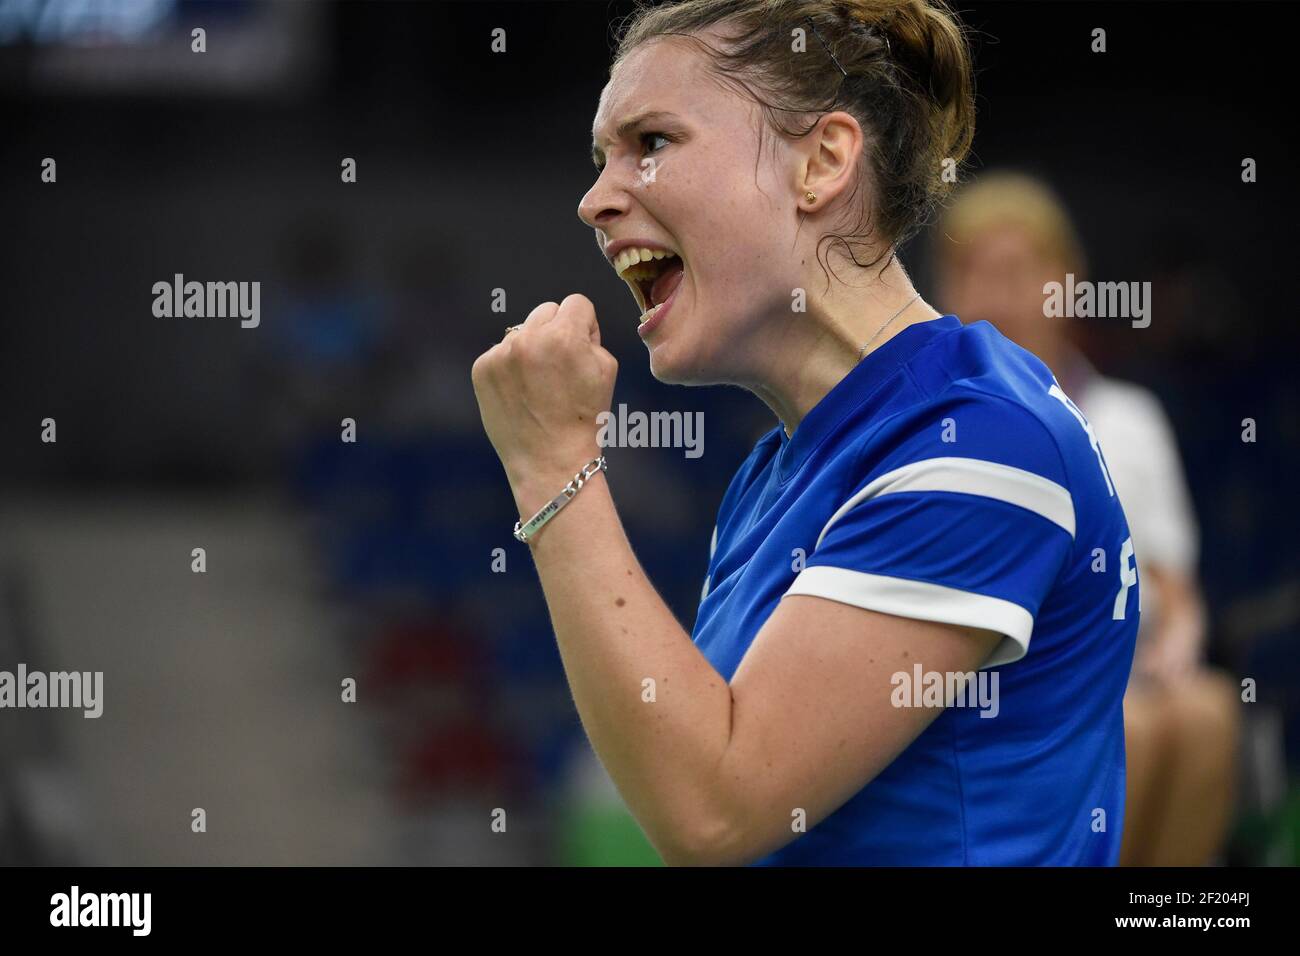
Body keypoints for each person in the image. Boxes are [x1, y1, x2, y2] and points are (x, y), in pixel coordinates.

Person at [471, 0, 1138, 865]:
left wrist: (553, 465)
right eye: (602, 159)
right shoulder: (772, 475)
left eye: (653, 143)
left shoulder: (979, 442)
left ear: (821, 162)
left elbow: (715, 811)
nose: (595, 200)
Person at [935, 171, 1240, 866]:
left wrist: (1177, 651)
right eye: (978, 271)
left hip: (1134, 670)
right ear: (948, 290)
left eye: (1019, 271)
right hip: (1009, 685)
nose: (999, 294)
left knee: (1209, 709)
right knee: (1122, 723)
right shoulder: (936, 425)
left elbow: (1173, 586)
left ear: (1067, 283)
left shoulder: (1132, 419)